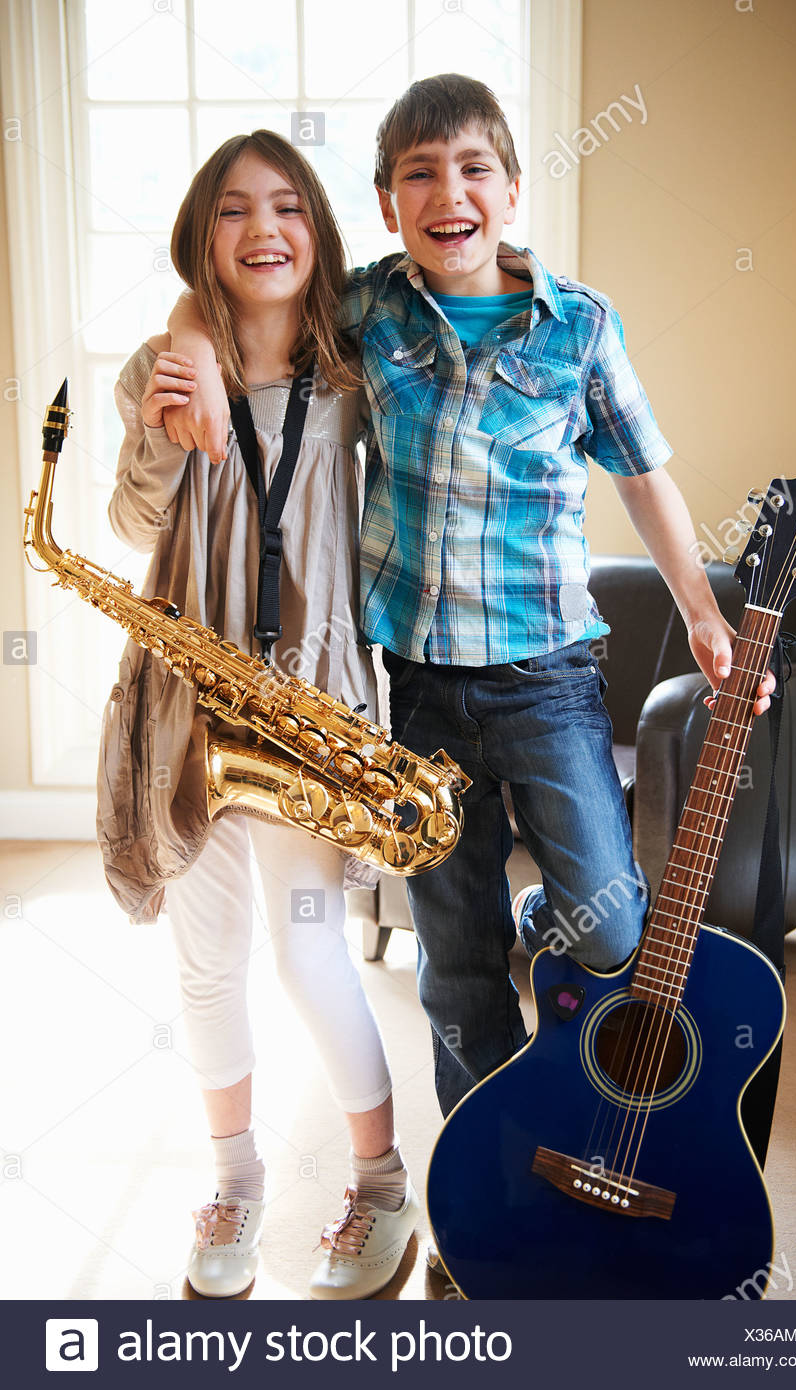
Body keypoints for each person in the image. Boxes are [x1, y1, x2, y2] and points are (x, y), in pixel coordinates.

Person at [164, 77, 774, 1131]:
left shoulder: (577, 327)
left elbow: (642, 477)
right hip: (414, 695)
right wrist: (191, 346)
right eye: (419, 173)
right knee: (455, 965)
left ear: (510, 188)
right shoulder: (366, 308)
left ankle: (552, 929)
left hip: (547, 681)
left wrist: (706, 616)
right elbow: (241, 296)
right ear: (388, 202)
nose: (449, 190)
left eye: (472, 167)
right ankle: (480, 1184)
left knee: (611, 928)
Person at [97, 131, 419, 1301]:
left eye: (287, 206)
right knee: (205, 959)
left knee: (309, 947)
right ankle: (233, 1180)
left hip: (312, 707)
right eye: (234, 211)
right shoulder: (162, 362)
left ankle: (379, 1183)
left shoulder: (358, 370)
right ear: (204, 236)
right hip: (190, 704)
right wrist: (160, 424)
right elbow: (135, 526)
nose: (263, 229)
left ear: (319, 234)